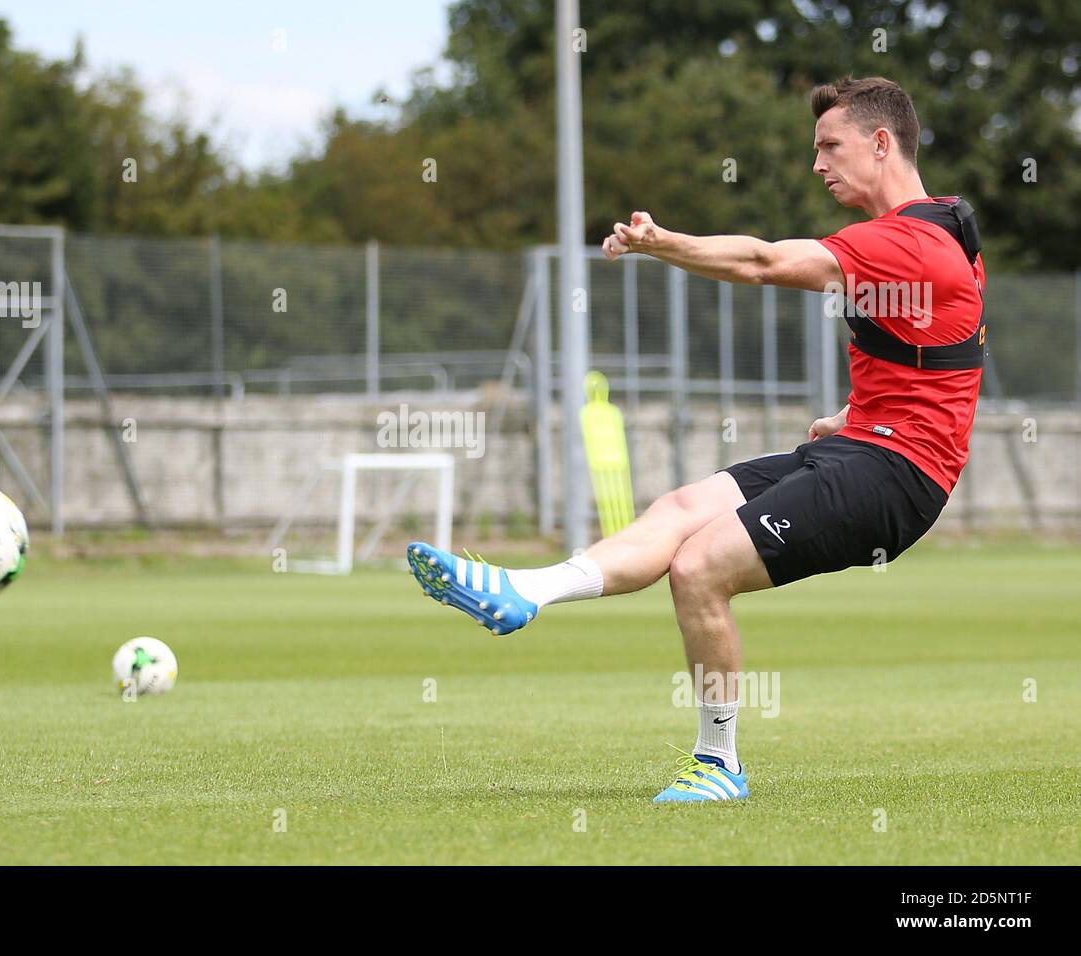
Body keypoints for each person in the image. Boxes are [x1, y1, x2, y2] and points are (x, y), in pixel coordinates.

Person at [407, 75, 987, 803]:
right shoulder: (946, 228)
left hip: (895, 474)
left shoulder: (902, 241)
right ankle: (522, 590)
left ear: (880, 142)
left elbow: (763, 262)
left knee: (700, 568)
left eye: (828, 146)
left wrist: (661, 243)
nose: (817, 164)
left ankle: (719, 764)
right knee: (681, 507)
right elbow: (950, 348)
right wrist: (853, 413)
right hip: (864, 445)